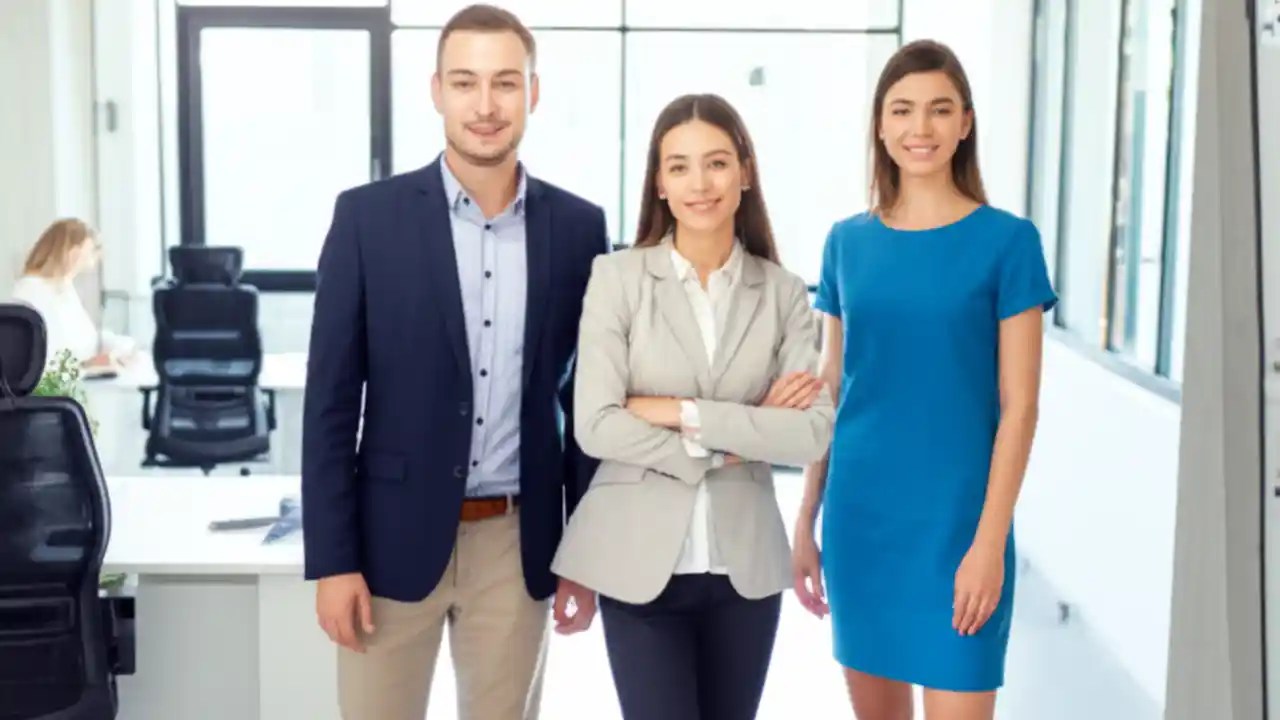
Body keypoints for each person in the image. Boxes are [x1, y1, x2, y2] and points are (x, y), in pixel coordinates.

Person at [301, 5, 607, 719]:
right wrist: (333, 560)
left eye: (506, 83)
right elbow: (330, 405)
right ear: (436, 90)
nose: (486, 105)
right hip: (385, 546)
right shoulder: (366, 220)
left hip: (518, 541)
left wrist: (585, 556)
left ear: (533, 93)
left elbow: (588, 405)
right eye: (466, 82)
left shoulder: (580, 228)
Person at [791, 39, 1058, 720]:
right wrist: (803, 521)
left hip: (960, 528)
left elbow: (1020, 408)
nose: (921, 128)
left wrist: (989, 544)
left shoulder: (1008, 242)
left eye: (940, 110)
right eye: (903, 110)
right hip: (861, 522)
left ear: (965, 123)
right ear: (880, 125)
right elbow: (831, 387)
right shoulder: (846, 242)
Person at [552, 93, 835, 720]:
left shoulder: (785, 292)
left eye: (716, 163)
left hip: (747, 572)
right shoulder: (617, 278)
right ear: (658, 182)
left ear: (745, 172)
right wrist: (748, 429)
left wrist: (681, 411)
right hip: (637, 563)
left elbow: (810, 435)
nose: (699, 184)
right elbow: (596, 424)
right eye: (678, 166)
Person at [11, 218, 137, 369]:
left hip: (77, 378)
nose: (94, 258)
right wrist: (87, 364)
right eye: (90, 250)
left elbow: (86, 339)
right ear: (70, 250)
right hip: (57, 385)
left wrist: (119, 346)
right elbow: (47, 357)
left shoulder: (63, 286)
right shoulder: (31, 290)